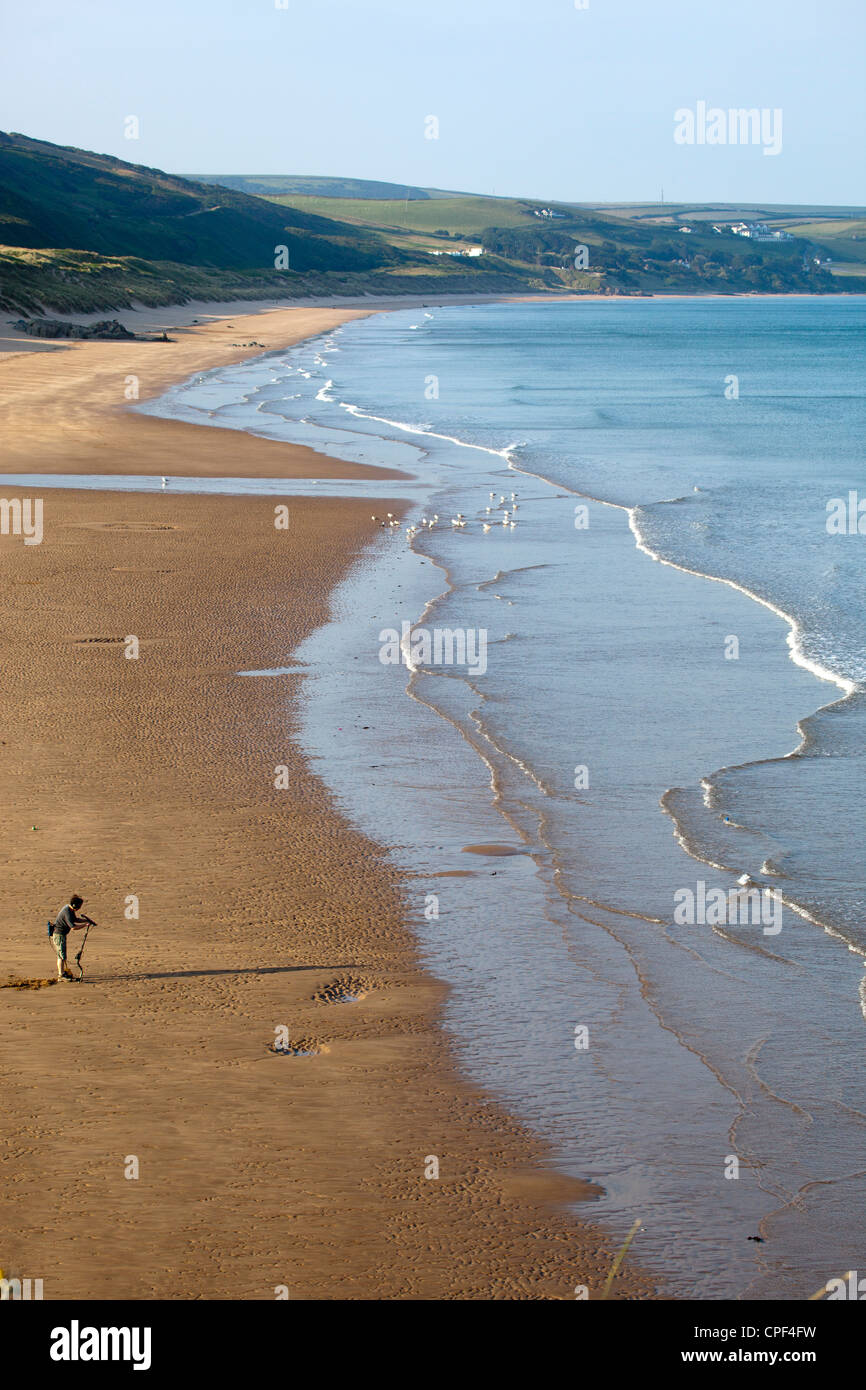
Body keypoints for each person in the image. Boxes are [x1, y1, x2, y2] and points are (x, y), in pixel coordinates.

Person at [50, 895, 94, 981]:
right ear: (75, 906)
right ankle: (61, 976)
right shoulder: (67, 911)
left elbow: (75, 919)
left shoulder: (69, 909)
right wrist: (85, 925)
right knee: (61, 956)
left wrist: (86, 920)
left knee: (62, 955)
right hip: (59, 935)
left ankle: (62, 973)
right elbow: (73, 927)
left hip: (61, 935)